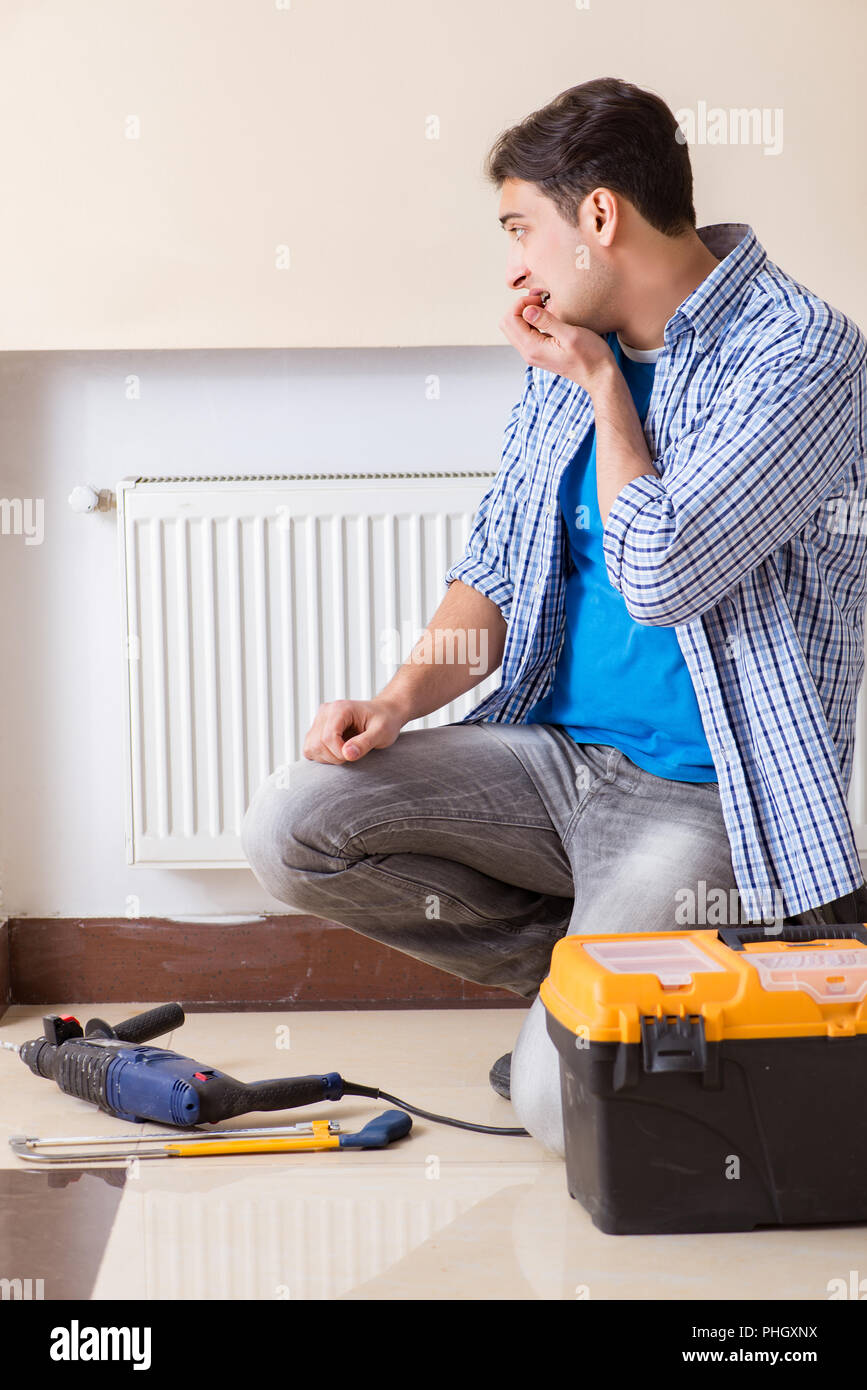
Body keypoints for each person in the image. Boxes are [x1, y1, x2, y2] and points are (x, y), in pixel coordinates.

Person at [241, 76, 867, 1156]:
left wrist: (605, 392)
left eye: (521, 226)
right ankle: (591, 974)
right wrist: (394, 702)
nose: (515, 264)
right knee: (294, 823)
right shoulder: (574, 343)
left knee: (550, 1109)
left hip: (706, 799)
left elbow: (664, 573)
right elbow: (494, 565)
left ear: (601, 216)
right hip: (556, 763)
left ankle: (665, 975)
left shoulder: (805, 356)